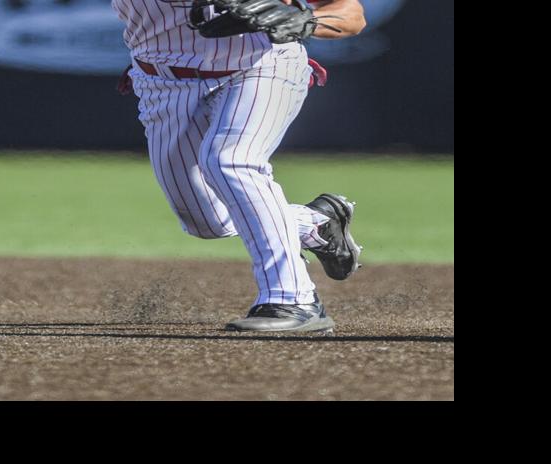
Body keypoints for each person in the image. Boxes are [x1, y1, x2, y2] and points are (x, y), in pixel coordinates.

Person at [113, 0, 368, 333]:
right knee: (208, 221)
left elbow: (352, 15)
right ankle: (313, 224)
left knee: (231, 160)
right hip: (162, 80)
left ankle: (294, 299)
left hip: (260, 66)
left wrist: (305, 22)